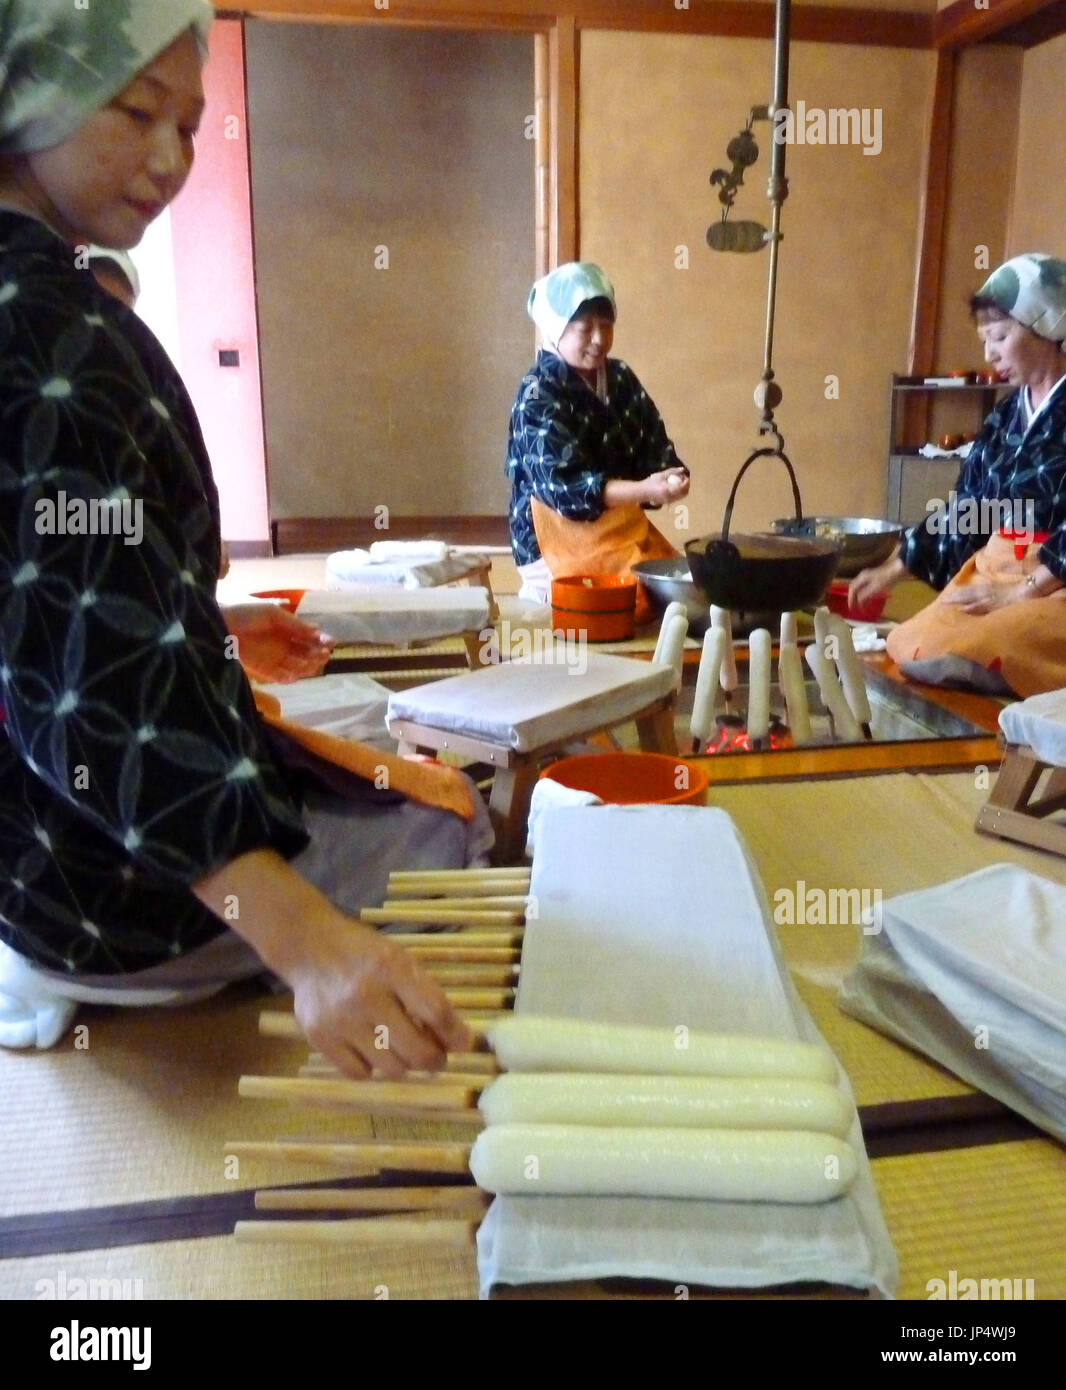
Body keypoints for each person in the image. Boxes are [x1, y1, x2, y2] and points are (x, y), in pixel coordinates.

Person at [0, 0, 490, 1068]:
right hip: (102, 889)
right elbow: (92, 678)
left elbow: (62, 598)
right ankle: (129, 975)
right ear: (34, 85)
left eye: (190, 123)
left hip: (30, 840)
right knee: (458, 816)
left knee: (369, 712)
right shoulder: (48, 337)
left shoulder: (35, 295)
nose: (171, 157)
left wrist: (209, 635)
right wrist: (311, 947)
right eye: (137, 113)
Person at [850, 253, 1066, 697]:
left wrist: (1025, 591)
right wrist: (895, 566)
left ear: (1050, 329)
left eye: (1001, 337)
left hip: (1053, 581)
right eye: (985, 338)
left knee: (993, 641)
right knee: (911, 638)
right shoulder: (1008, 414)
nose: (989, 354)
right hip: (999, 569)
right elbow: (971, 508)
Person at [505, 262, 690, 612]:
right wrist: (646, 490)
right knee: (635, 606)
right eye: (585, 329)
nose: (598, 339)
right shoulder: (537, 394)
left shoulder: (620, 378)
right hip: (556, 545)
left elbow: (654, 447)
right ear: (556, 330)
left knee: (686, 592)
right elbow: (566, 489)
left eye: (606, 326)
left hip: (622, 532)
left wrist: (671, 477)